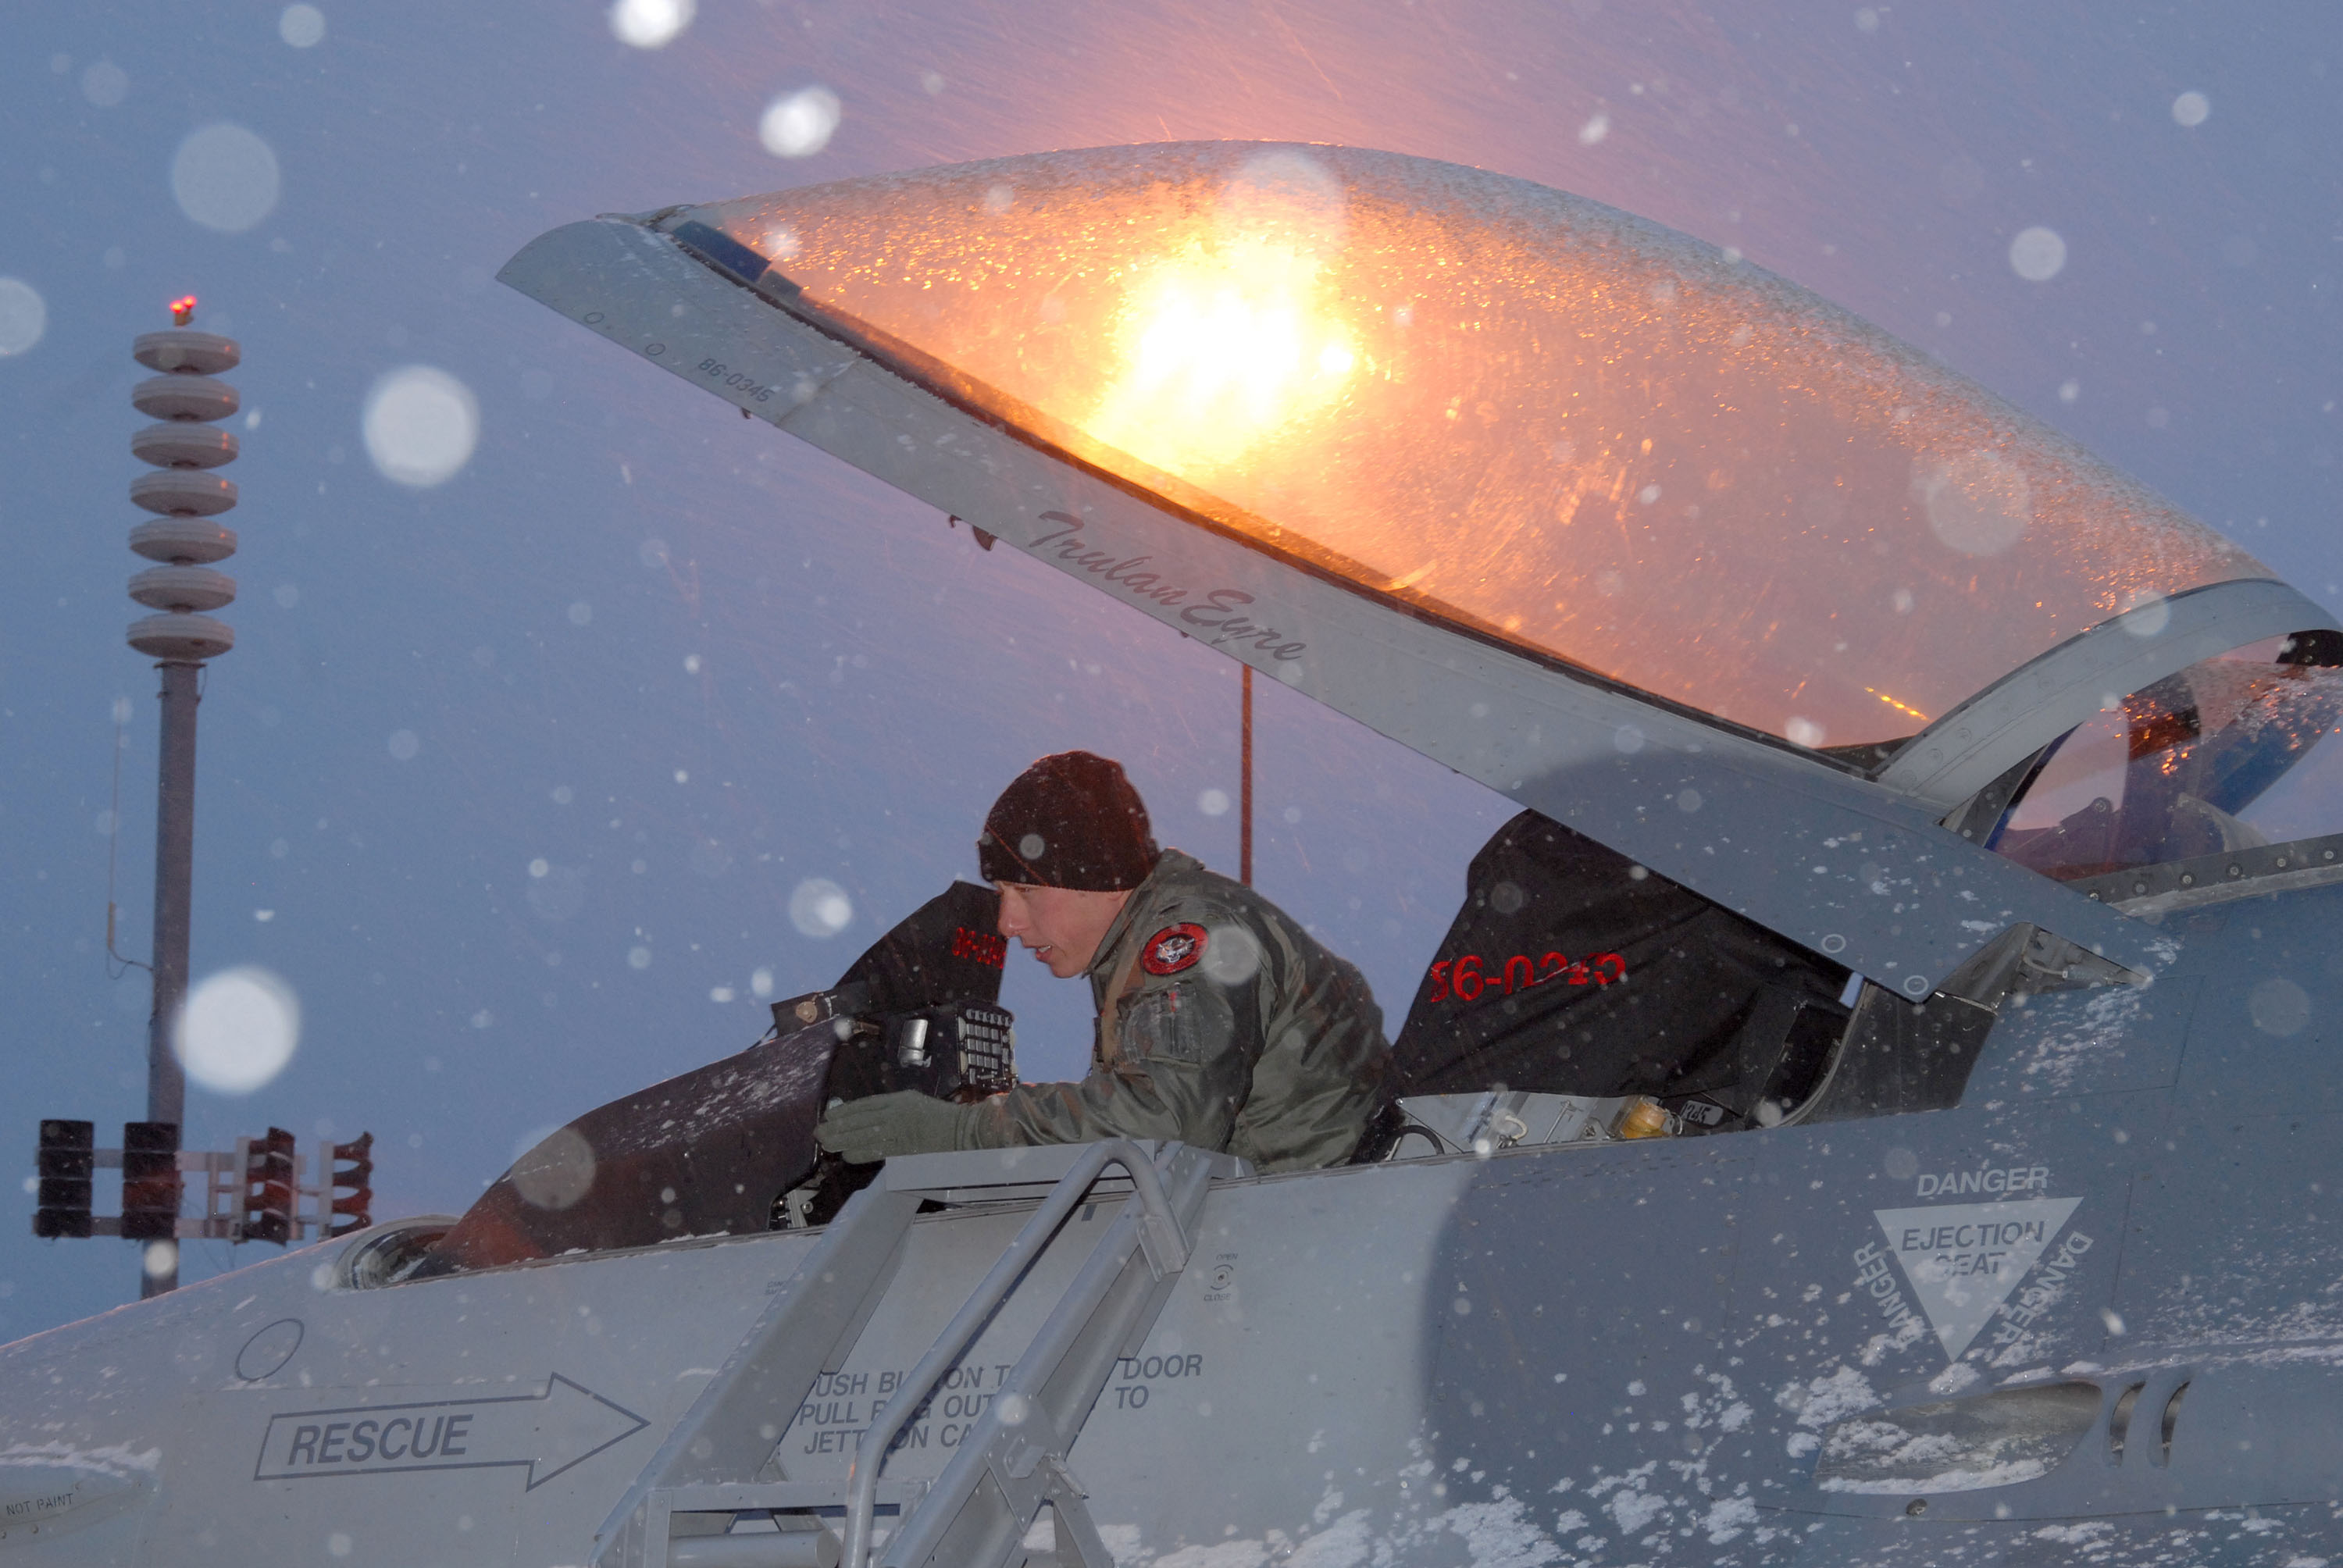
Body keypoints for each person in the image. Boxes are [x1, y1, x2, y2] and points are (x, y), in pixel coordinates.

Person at [814, 751, 1390, 1172]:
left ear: (1099, 880)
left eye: (1027, 892)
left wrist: (964, 1131)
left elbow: (1167, 1120)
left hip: (1301, 1224)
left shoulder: (1184, 937)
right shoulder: (1144, 941)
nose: (1007, 924)